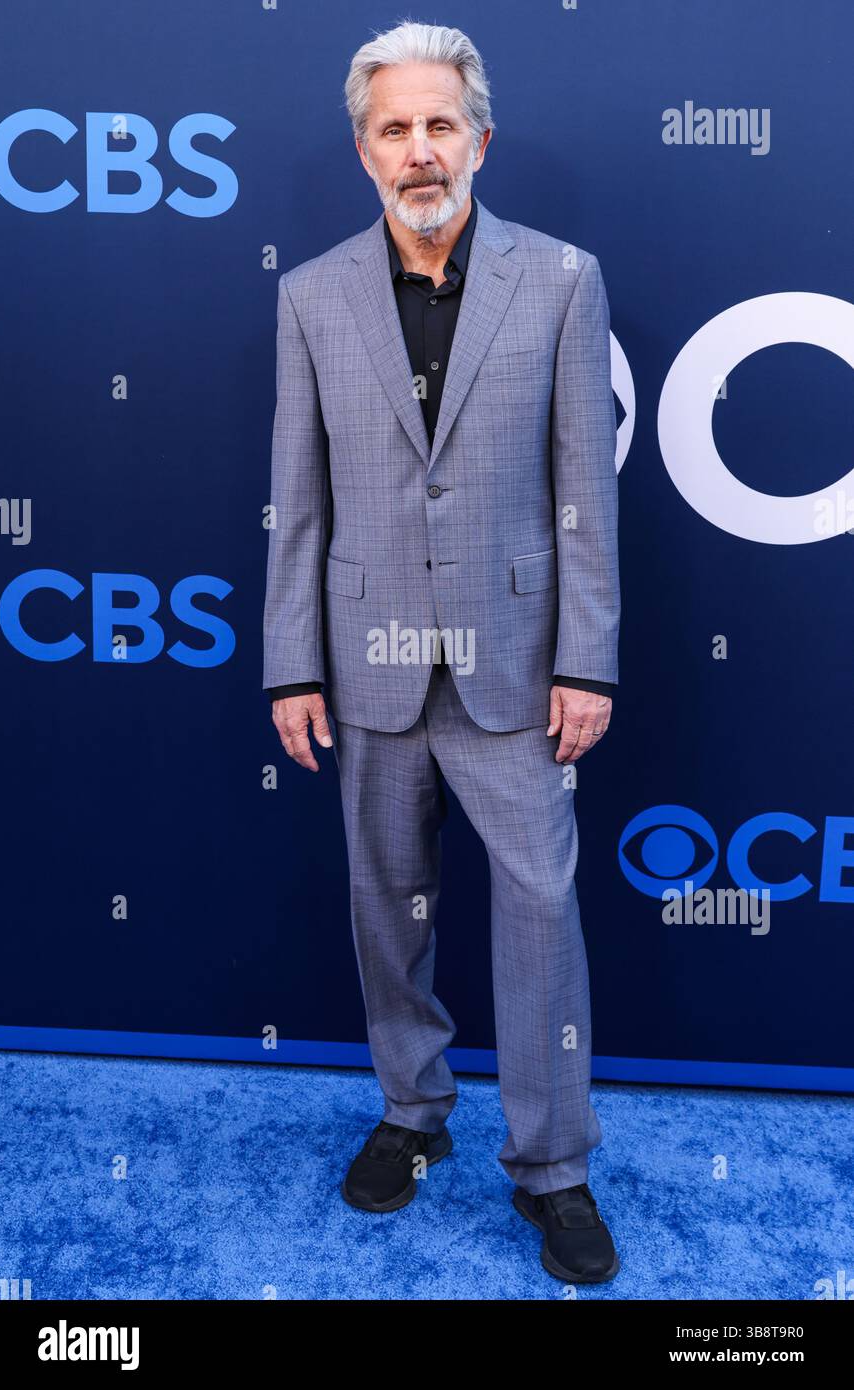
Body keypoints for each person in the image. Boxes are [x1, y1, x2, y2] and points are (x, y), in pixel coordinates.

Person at [263, 19, 621, 1284]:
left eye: (439, 125)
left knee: (537, 914)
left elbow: (585, 486)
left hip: (517, 667)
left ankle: (554, 1169)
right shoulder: (308, 295)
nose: (419, 151)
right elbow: (295, 500)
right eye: (392, 128)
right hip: (362, 663)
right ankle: (411, 1118)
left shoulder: (564, 280)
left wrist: (588, 660)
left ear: (479, 137)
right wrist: (289, 666)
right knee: (383, 911)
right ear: (363, 150)